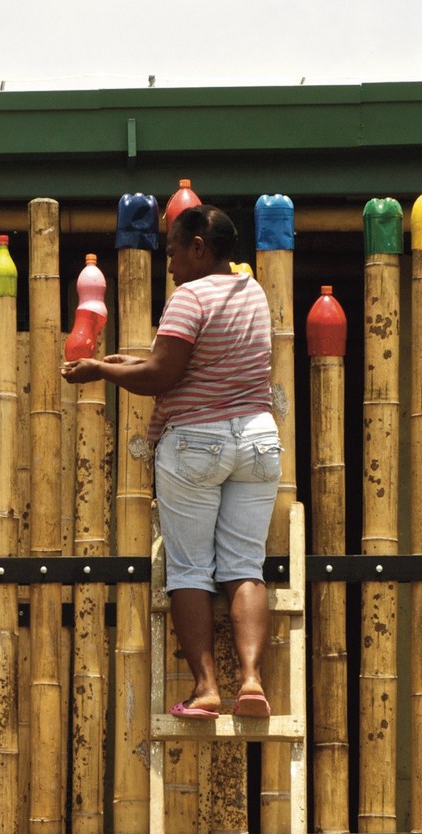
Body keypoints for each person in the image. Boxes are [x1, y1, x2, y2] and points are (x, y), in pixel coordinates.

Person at [62, 202, 280, 718]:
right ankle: (251, 682)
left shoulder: (190, 297)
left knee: (189, 571)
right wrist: (131, 363)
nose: (171, 265)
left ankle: (206, 689)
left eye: (174, 253)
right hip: (257, 440)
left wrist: (101, 370)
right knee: (245, 567)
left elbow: (162, 376)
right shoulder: (252, 291)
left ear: (199, 248)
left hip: (196, 443)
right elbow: (195, 365)